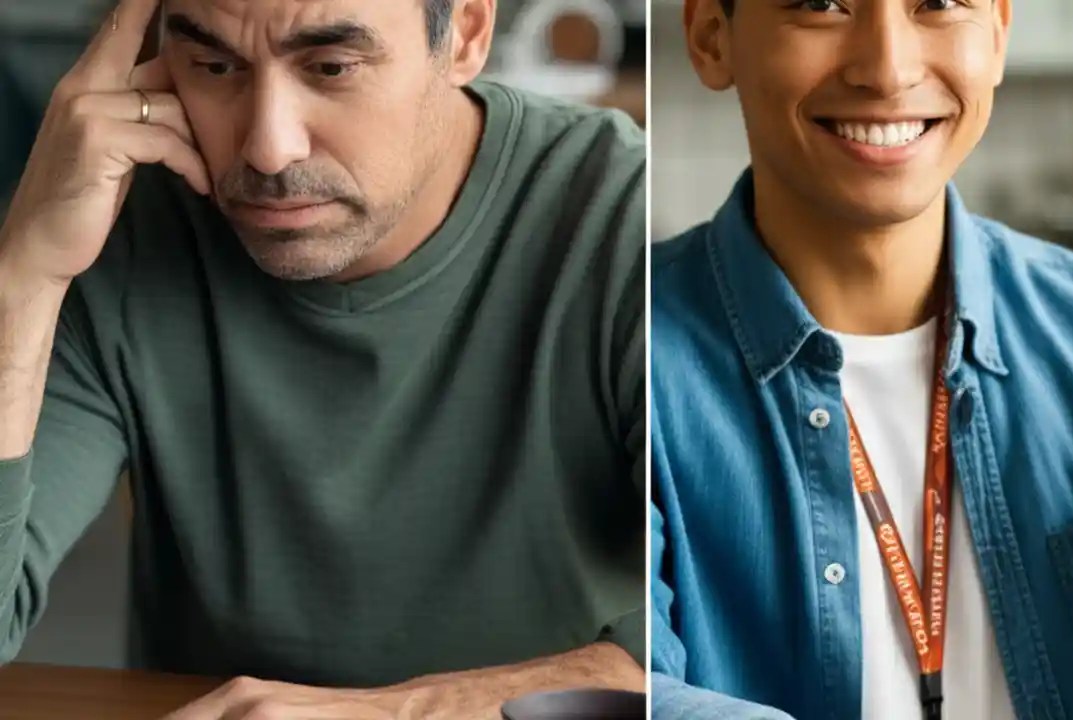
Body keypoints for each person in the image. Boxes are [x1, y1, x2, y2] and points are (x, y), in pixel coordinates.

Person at [0, 0, 645, 715]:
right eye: (214, 67)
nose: (268, 149)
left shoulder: (618, 221)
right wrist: (24, 275)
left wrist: (402, 712)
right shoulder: (114, 218)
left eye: (332, 67)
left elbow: (739, 628)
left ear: (465, 33)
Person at [650, 1, 1073, 718]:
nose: (888, 69)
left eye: (941, 3)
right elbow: (630, 686)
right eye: (821, 3)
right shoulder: (619, 350)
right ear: (710, 37)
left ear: (1000, 33)